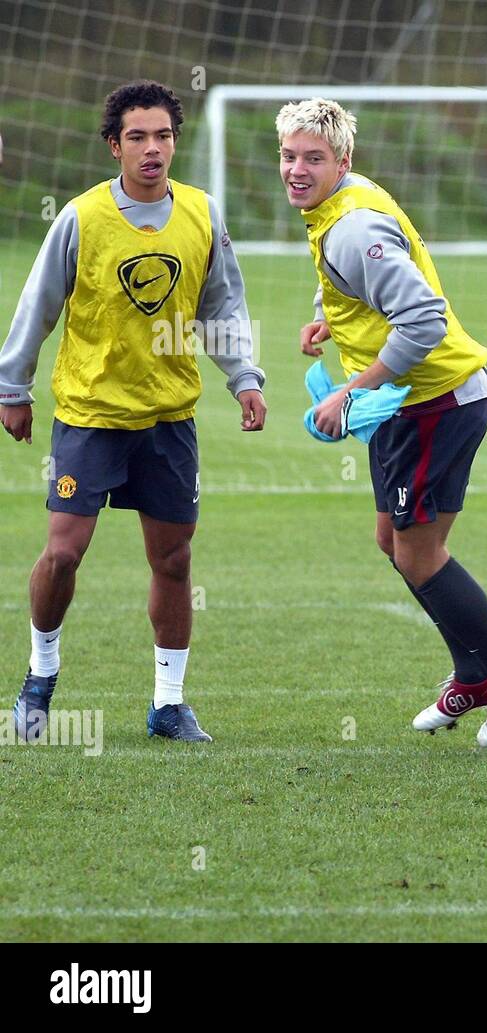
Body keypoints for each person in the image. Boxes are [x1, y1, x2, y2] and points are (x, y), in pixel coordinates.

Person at [277, 98, 487, 748]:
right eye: (289, 155)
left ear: (341, 159)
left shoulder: (351, 226)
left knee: (419, 555)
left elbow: (423, 319)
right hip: (408, 405)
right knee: (392, 542)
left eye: (312, 158)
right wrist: (331, 316)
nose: (297, 168)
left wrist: (350, 388)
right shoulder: (342, 205)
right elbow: (364, 275)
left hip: (440, 401)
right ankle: (472, 675)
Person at [0, 80, 267, 743]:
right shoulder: (82, 218)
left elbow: (222, 306)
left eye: (165, 136)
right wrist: (13, 387)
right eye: (139, 137)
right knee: (64, 553)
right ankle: (40, 675)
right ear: (115, 145)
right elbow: (39, 304)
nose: (154, 149)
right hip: (91, 415)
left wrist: (245, 378)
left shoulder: (202, 213)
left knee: (173, 559)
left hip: (169, 419)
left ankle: (169, 704)